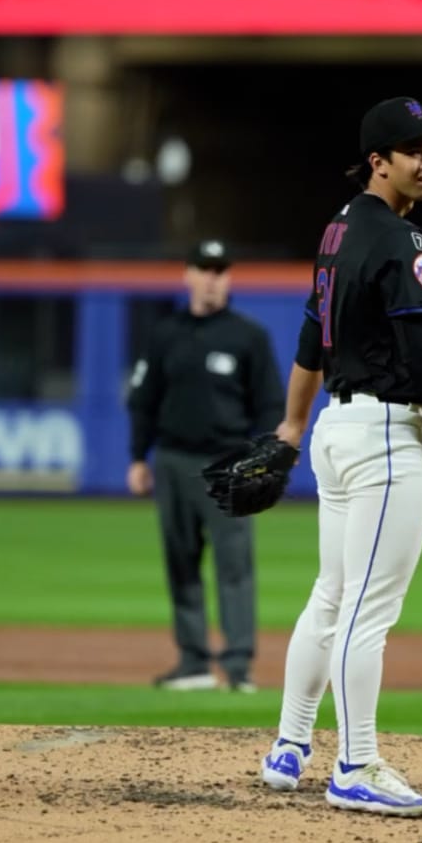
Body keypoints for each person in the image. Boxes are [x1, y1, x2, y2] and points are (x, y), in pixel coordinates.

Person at [256, 97, 422, 817]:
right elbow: (420, 357)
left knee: (332, 595)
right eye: (412, 149)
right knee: (367, 612)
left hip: (339, 429)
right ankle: (356, 765)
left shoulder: (337, 230)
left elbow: (313, 335)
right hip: (386, 441)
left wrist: (293, 427)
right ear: (379, 161)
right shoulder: (403, 241)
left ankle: (289, 745)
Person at [125, 239, 285, 693]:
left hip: (228, 464)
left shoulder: (248, 336)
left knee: (235, 566)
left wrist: (258, 462)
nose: (213, 278)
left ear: (227, 277)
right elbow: (144, 399)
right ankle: (193, 661)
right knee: (181, 561)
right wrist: (138, 456)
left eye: (220, 270)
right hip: (173, 460)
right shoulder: (165, 334)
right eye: (205, 269)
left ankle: (237, 667)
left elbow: (269, 405)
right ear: (189, 275)